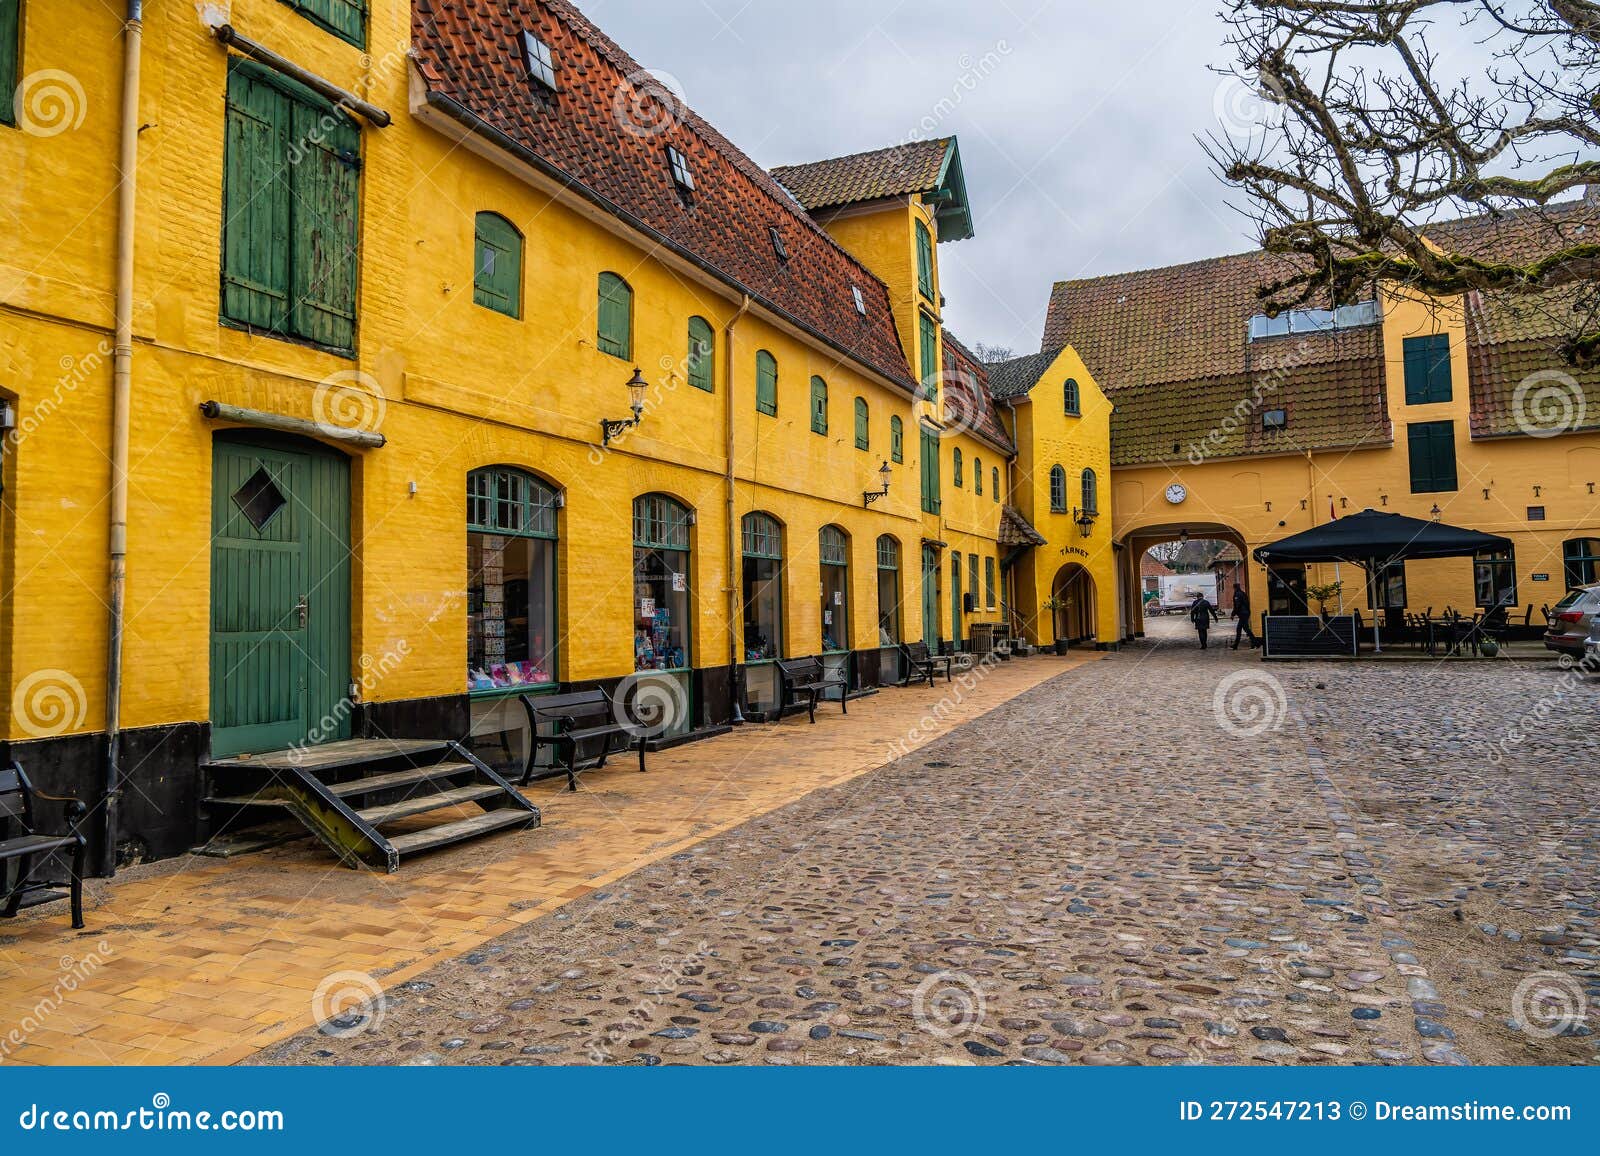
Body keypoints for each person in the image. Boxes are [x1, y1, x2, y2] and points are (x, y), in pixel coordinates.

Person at [1231, 583, 1259, 650]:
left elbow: (1237, 605)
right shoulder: (1243, 593)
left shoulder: (1237, 594)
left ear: (1234, 588)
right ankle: (1254, 643)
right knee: (1244, 629)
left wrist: (1233, 614)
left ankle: (1256, 643)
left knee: (1242, 629)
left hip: (1243, 614)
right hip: (1245, 613)